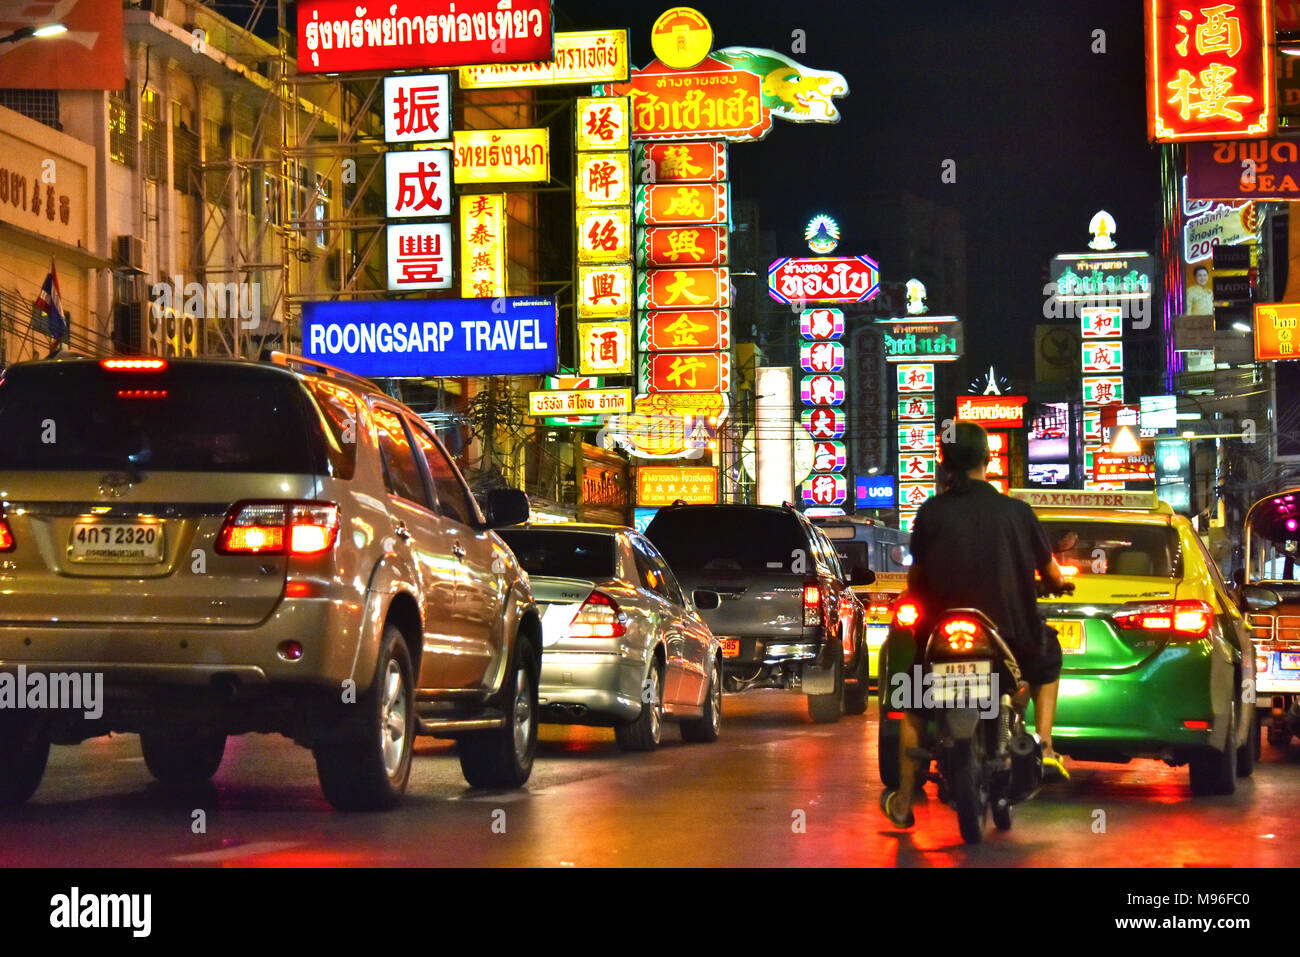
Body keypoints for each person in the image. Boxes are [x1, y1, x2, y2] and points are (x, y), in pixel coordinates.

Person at [881, 422, 1070, 829]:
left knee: (913, 706)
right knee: (1050, 653)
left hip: (940, 636)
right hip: (1009, 637)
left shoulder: (930, 512)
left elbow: (916, 581)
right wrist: (1058, 584)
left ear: (944, 463)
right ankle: (1048, 745)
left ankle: (902, 803)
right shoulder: (1017, 512)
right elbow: (1052, 573)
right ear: (989, 458)